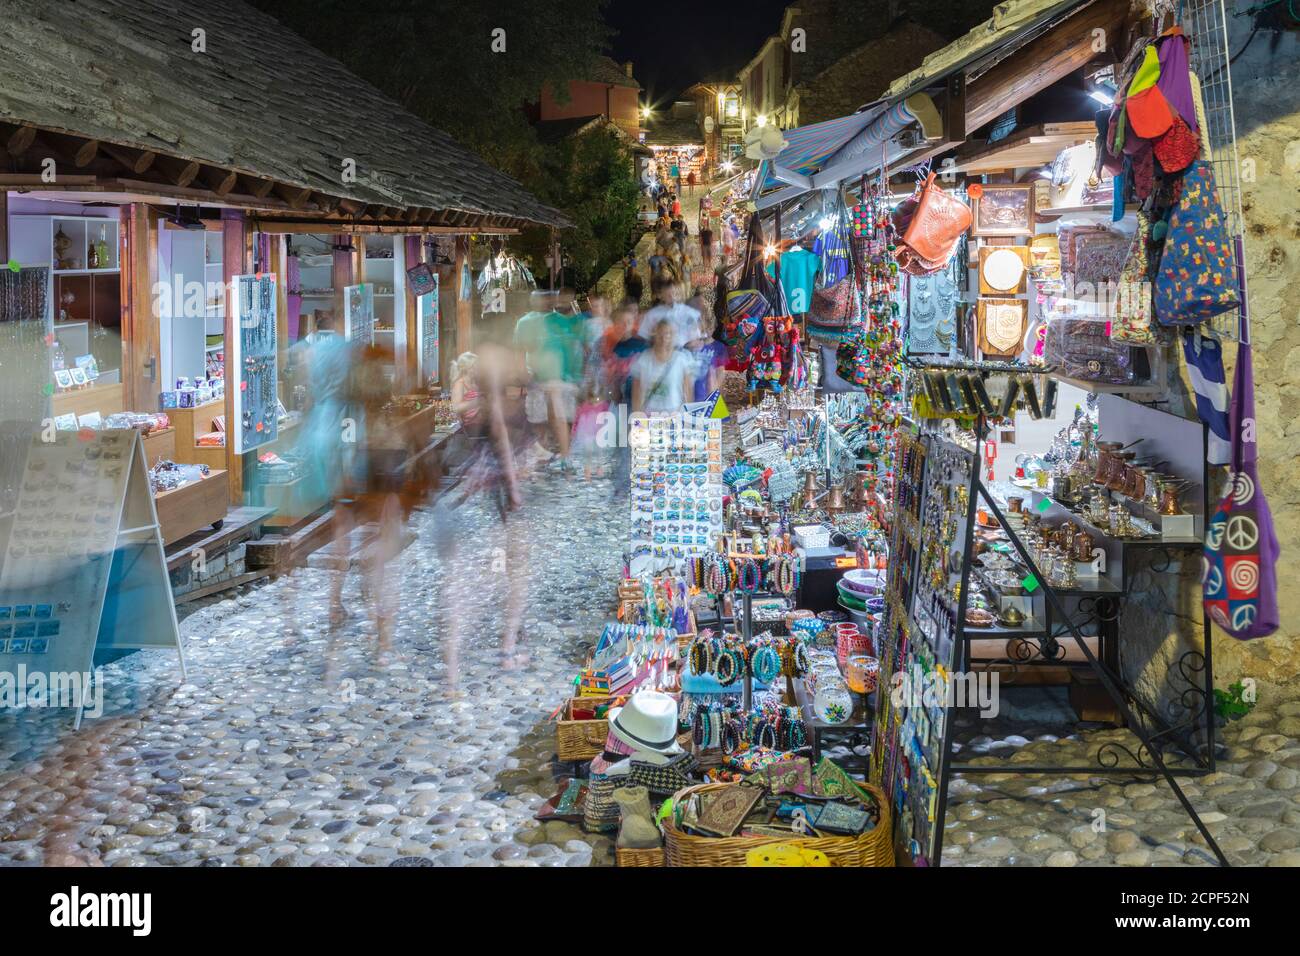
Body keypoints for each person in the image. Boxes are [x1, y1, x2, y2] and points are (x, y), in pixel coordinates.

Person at [632, 318, 695, 414]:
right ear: (654, 335)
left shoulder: (681, 360)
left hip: (674, 414)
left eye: (668, 333)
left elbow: (688, 390)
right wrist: (637, 416)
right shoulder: (644, 359)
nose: (664, 337)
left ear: (673, 336)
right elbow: (636, 393)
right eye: (660, 333)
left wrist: (688, 416)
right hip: (649, 415)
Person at [639, 275, 702, 347]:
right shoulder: (652, 314)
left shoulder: (689, 312)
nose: (673, 297)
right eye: (669, 295)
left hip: (684, 353)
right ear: (660, 295)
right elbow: (645, 337)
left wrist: (690, 344)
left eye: (674, 293)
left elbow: (696, 337)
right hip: (660, 352)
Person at [686, 307, 727, 403]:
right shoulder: (690, 348)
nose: (708, 330)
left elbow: (720, 372)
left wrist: (717, 394)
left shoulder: (719, 347)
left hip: (707, 390)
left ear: (714, 327)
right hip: (691, 389)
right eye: (705, 327)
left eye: (710, 327)